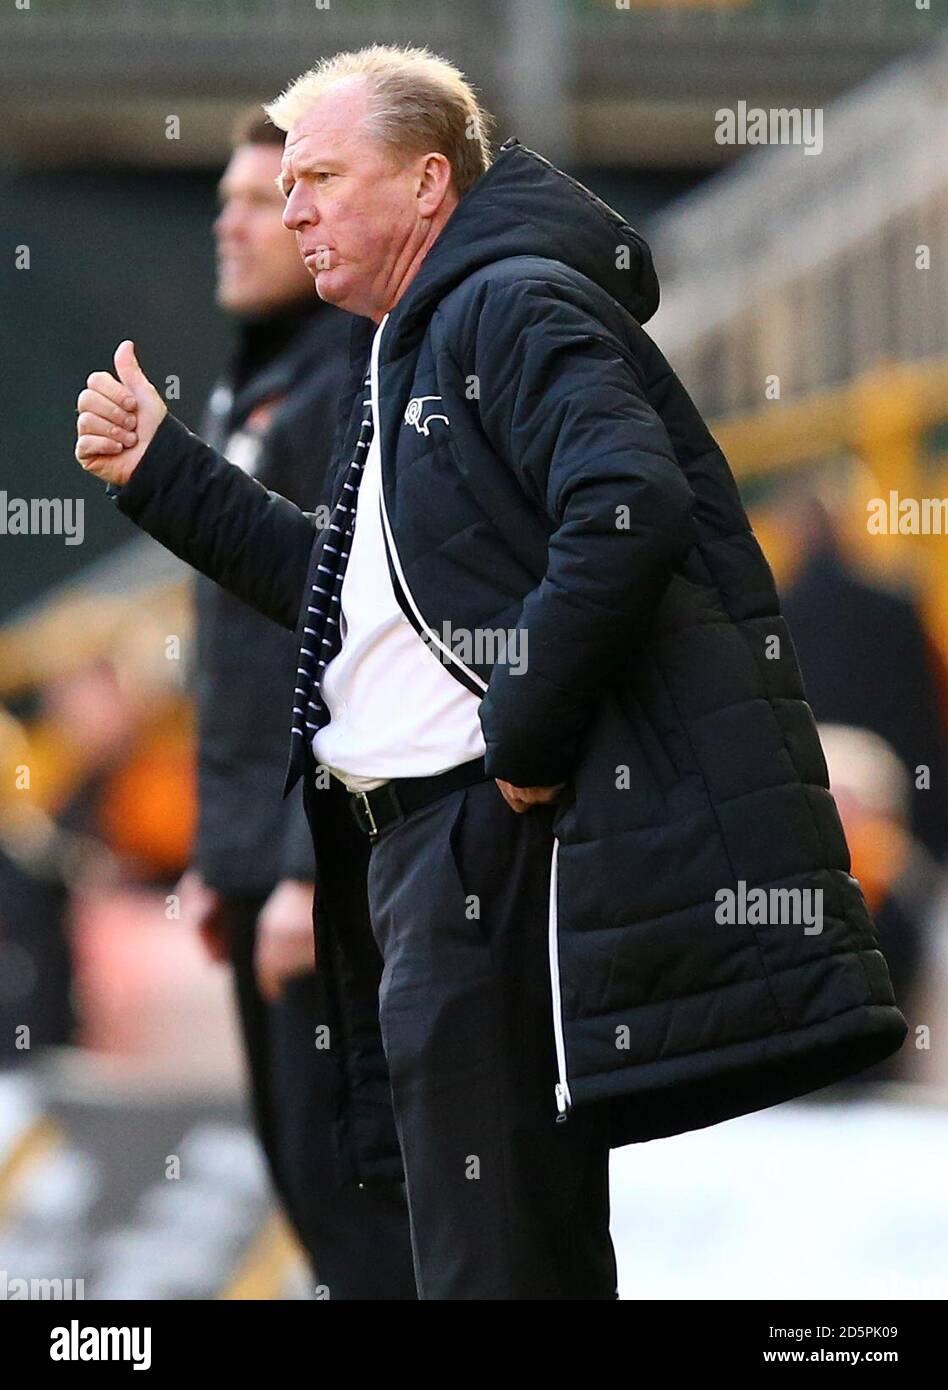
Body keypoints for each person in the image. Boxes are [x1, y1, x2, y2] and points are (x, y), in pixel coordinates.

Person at [75, 44, 908, 1301]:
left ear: (424, 184)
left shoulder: (502, 303)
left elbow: (629, 504)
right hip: (425, 855)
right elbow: (352, 606)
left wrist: (523, 734)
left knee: (490, 1263)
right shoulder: (413, 340)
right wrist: (166, 475)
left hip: (482, 845)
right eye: (280, 184)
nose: (291, 207)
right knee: (497, 1257)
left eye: (318, 176)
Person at [172, 108, 415, 1299]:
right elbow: (243, 659)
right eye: (227, 196)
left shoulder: (342, 385)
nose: (234, 218)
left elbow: (350, 636)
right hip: (259, 868)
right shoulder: (257, 384)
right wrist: (226, 857)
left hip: (321, 875)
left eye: (264, 199)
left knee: (356, 1194)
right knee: (309, 1190)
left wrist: (306, 867)